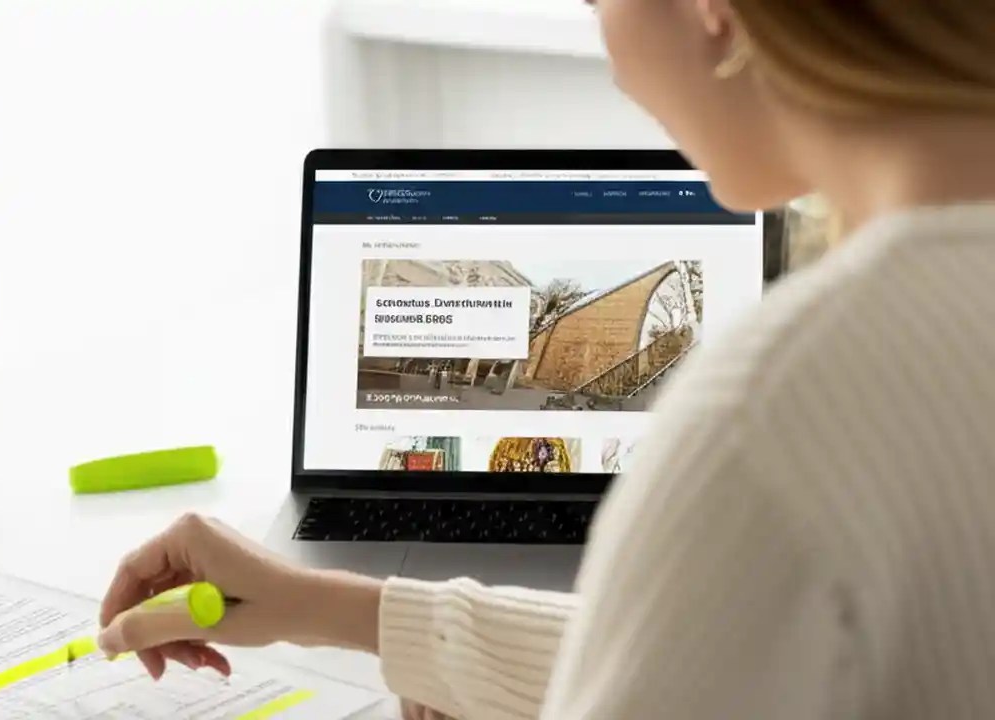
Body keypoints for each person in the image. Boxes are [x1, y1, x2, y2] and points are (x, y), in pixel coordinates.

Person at [97, 2, 995, 718]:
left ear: (712, 8)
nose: (608, 52)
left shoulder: (773, 409)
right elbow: (707, 647)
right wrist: (338, 609)